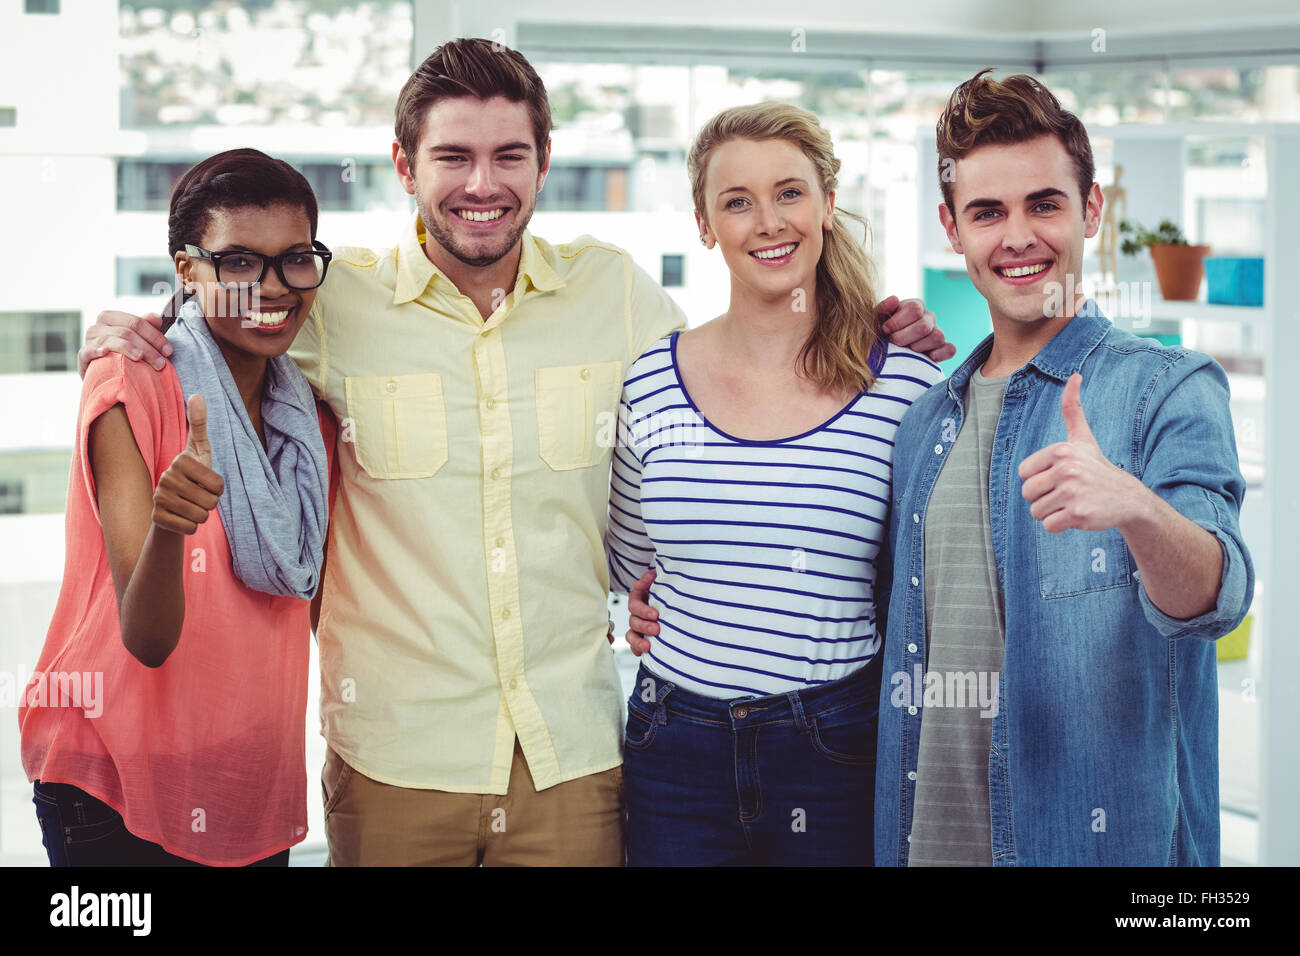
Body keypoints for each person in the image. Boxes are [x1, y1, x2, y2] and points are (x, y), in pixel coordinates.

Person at [77, 39, 953, 867]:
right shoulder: (333, 305)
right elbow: (231, 312)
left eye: (508, 156)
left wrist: (871, 323)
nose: (480, 184)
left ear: (543, 160)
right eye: (453, 157)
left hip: (572, 759)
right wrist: (141, 318)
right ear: (404, 166)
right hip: (394, 762)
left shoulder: (615, 294)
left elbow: (750, 370)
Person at [872, 69, 1251, 866]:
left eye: (1044, 204)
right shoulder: (921, 426)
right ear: (952, 228)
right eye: (987, 212)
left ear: (1092, 209)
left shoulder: (1166, 390)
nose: (1017, 238)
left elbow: (1215, 598)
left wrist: (1139, 509)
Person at [606, 103, 944, 865]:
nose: (768, 222)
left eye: (790, 193)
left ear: (827, 204)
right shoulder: (651, 381)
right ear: (704, 224)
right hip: (673, 747)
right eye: (737, 201)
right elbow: (631, 565)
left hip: (834, 748)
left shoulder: (907, 384)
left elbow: (933, 577)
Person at [21, 148, 335, 866]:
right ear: (186, 269)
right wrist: (171, 527)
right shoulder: (130, 379)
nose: (274, 286)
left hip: (246, 780)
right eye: (238, 263)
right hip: (113, 781)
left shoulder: (308, 420)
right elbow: (147, 636)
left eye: (295, 258)